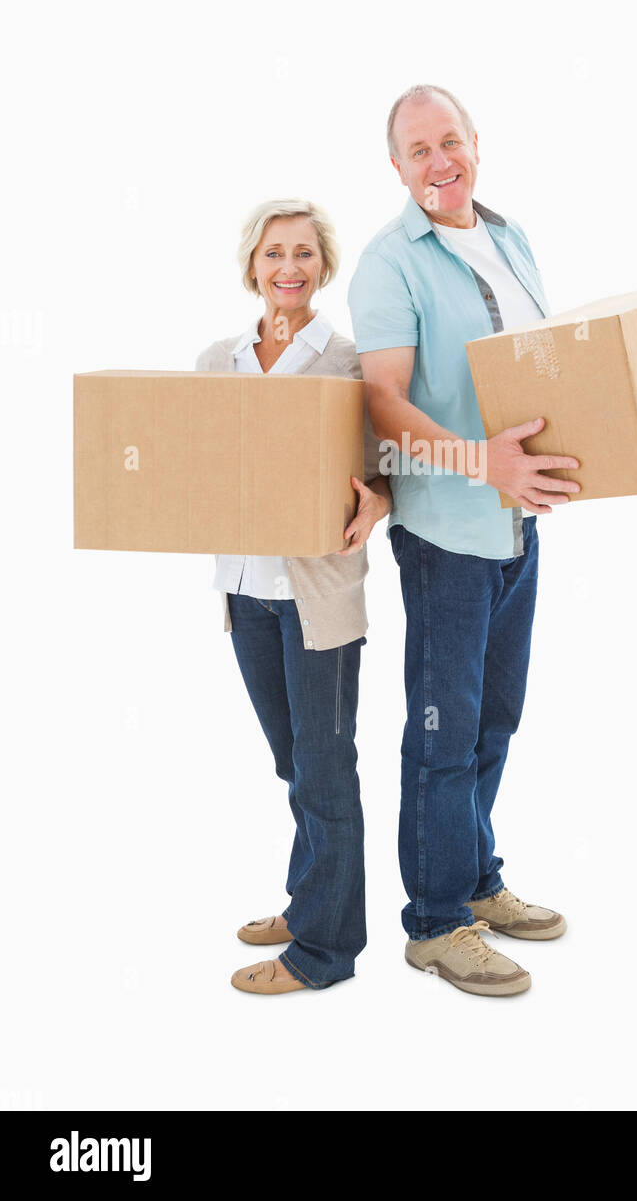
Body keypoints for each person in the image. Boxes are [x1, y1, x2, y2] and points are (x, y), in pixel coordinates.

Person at [348, 85, 581, 998]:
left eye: (450, 142)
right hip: (449, 530)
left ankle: (475, 879)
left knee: (497, 715)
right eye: (418, 150)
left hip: (520, 518)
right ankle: (436, 922)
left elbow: (537, 360)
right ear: (398, 168)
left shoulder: (509, 235)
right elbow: (384, 407)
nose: (438, 162)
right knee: (444, 731)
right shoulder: (387, 264)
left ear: (476, 144)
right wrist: (484, 465)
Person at [195, 198, 391, 995]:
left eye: (304, 254)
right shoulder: (219, 360)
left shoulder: (345, 360)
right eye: (275, 253)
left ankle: (325, 950)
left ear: (323, 267)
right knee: (293, 763)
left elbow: (386, 460)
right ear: (253, 265)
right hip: (244, 591)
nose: (289, 267)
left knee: (324, 768)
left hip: (317, 598)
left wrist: (378, 498)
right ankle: (313, 896)